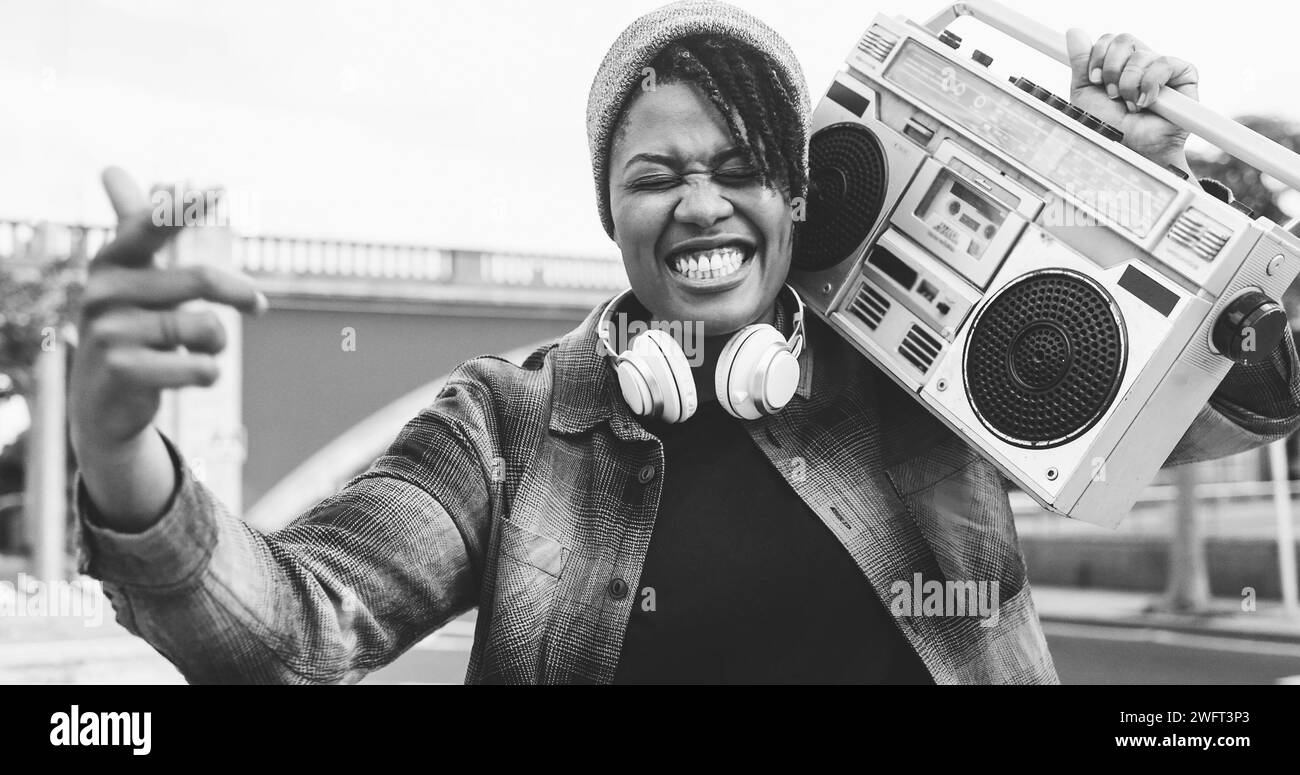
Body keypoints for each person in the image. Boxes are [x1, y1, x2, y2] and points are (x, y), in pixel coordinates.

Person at [68, 0, 1300, 684]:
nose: (703, 204)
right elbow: (289, 631)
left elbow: (1233, 395)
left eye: (742, 167)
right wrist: (120, 450)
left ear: (800, 194)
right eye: (656, 174)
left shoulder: (926, 381)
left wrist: (1159, 200)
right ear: (609, 209)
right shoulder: (504, 427)